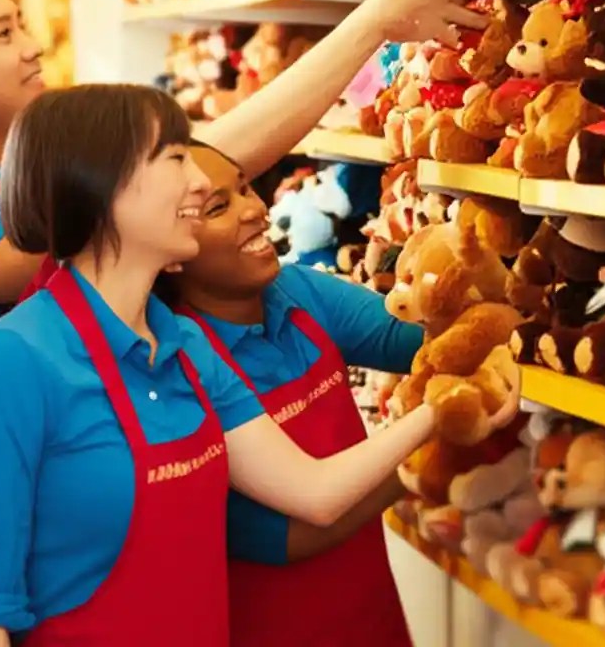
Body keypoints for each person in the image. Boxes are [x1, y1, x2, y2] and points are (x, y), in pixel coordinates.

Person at [0, 84, 516, 646]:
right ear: (102, 185)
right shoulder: (7, 363)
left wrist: (447, 407)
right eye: (174, 158)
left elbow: (316, 492)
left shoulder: (180, 342)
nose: (194, 181)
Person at [0, 0, 488, 382]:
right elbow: (204, 169)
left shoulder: (15, 172)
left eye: (20, 22)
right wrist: (370, 25)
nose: (31, 45)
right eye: (2, 34)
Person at [155, 140, 420, 647]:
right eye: (218, 207)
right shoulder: (174, 369)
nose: (255, 210)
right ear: (170, 251)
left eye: (245, 188)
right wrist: (430, 446)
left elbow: (411, 341)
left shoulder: (296, 291)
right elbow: (290, 537)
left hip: (373, 618)